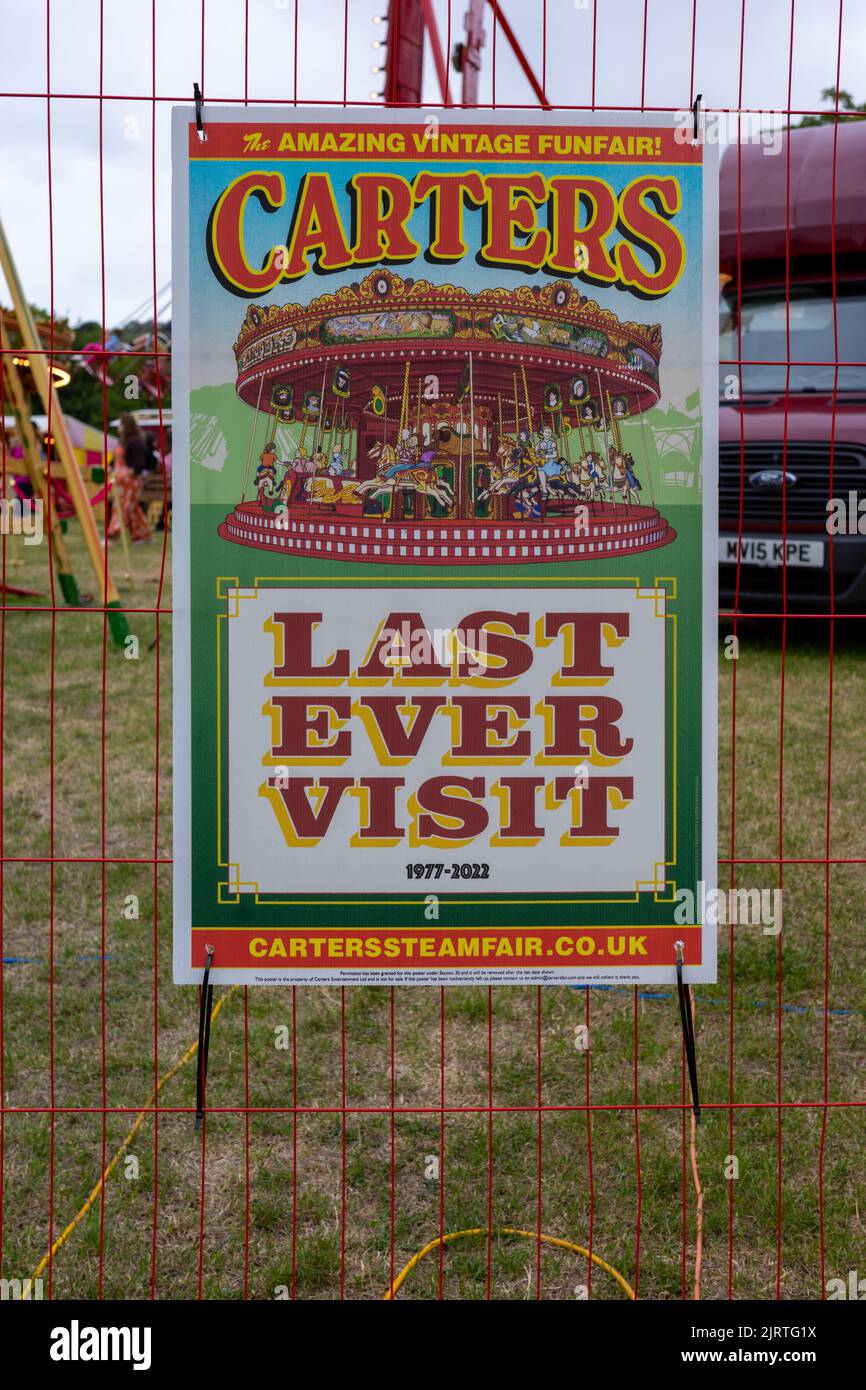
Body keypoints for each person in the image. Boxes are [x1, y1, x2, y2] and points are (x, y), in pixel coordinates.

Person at [107, 414, 152, 543]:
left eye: (121, 424)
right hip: (121, 481)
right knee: (132, 509)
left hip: (131, 481)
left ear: (127, 426)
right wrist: (111, 468)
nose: (119, 428)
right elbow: (116, 459)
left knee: (121, 508)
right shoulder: (122, 442)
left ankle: (113, 535)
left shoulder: (135, 441)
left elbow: (140, 462)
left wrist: (129, 473)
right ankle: (142, 535)